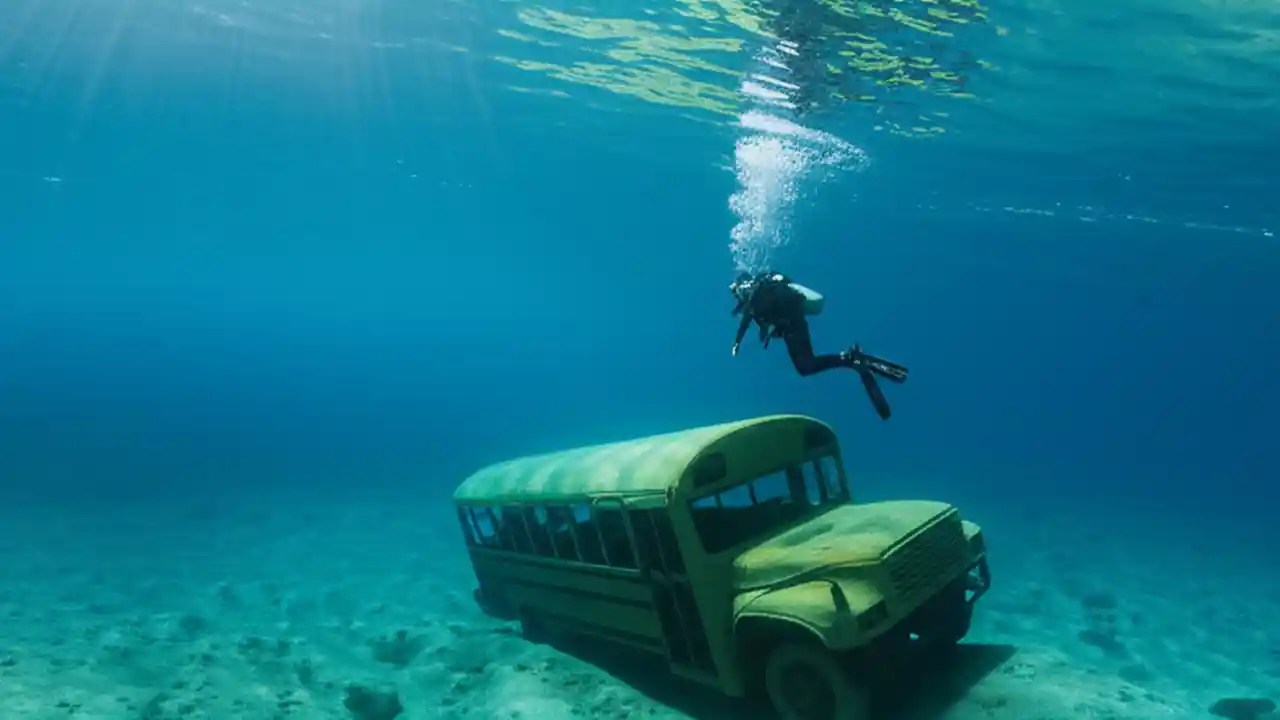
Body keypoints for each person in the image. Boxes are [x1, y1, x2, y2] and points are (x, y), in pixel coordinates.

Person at [729, 270, 908, 420]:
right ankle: (850, 359)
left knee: (805, 367)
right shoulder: (766, 291)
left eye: (735, 291)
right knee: (807, 364)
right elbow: (765, 321)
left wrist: (737, 342)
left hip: (792, 327)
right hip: (797, 323)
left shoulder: (752, 295)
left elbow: (748, 317)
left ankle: (849, 359)